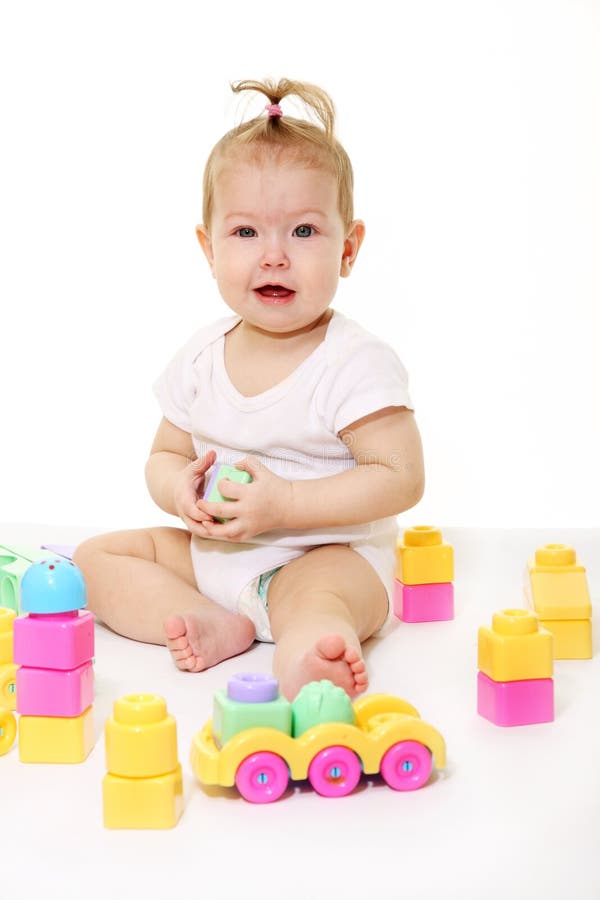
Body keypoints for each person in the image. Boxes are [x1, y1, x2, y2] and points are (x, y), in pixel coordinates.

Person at [73, 77, 425, 701]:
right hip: (212, 557)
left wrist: (287, 506)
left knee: (319, 603)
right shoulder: (201, 358)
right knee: (96, 557)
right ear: (208, 249)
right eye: (245, 234)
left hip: (319, 557)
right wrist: (176, 491)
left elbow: (399, 475)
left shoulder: (353, 361)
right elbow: (164, 454)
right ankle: (211, 620)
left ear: (349, 248)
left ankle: (307, 660)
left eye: (303, 232)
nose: (273, 256)